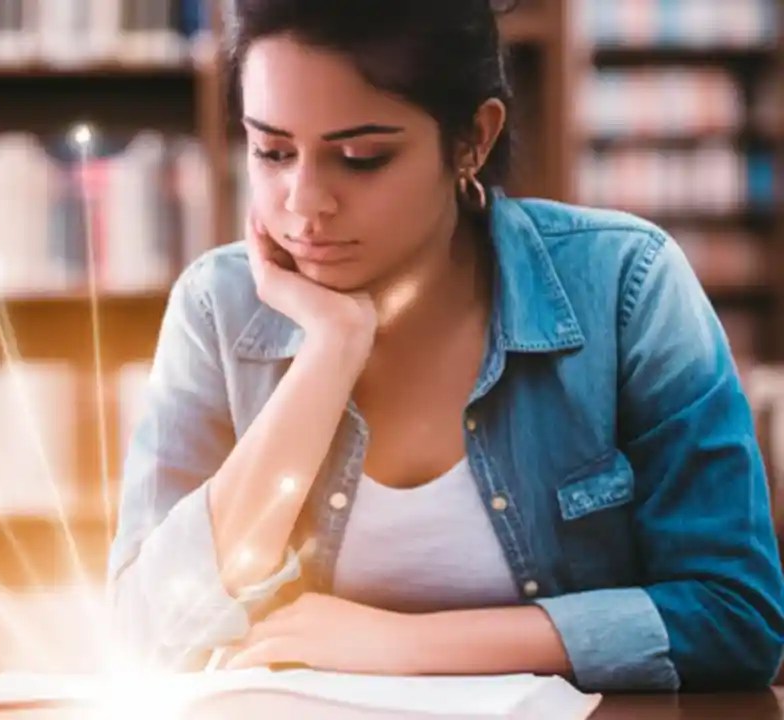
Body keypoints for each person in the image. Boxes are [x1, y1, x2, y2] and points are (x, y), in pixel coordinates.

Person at [107, 0, 784, 691]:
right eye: (272, 151)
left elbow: (735, 615)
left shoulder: (626, 286)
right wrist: (329, 352)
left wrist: (405, 644)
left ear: (473, 141)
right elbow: (149, 634)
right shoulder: (216, 308)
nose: (303, 203)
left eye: (360, 158)